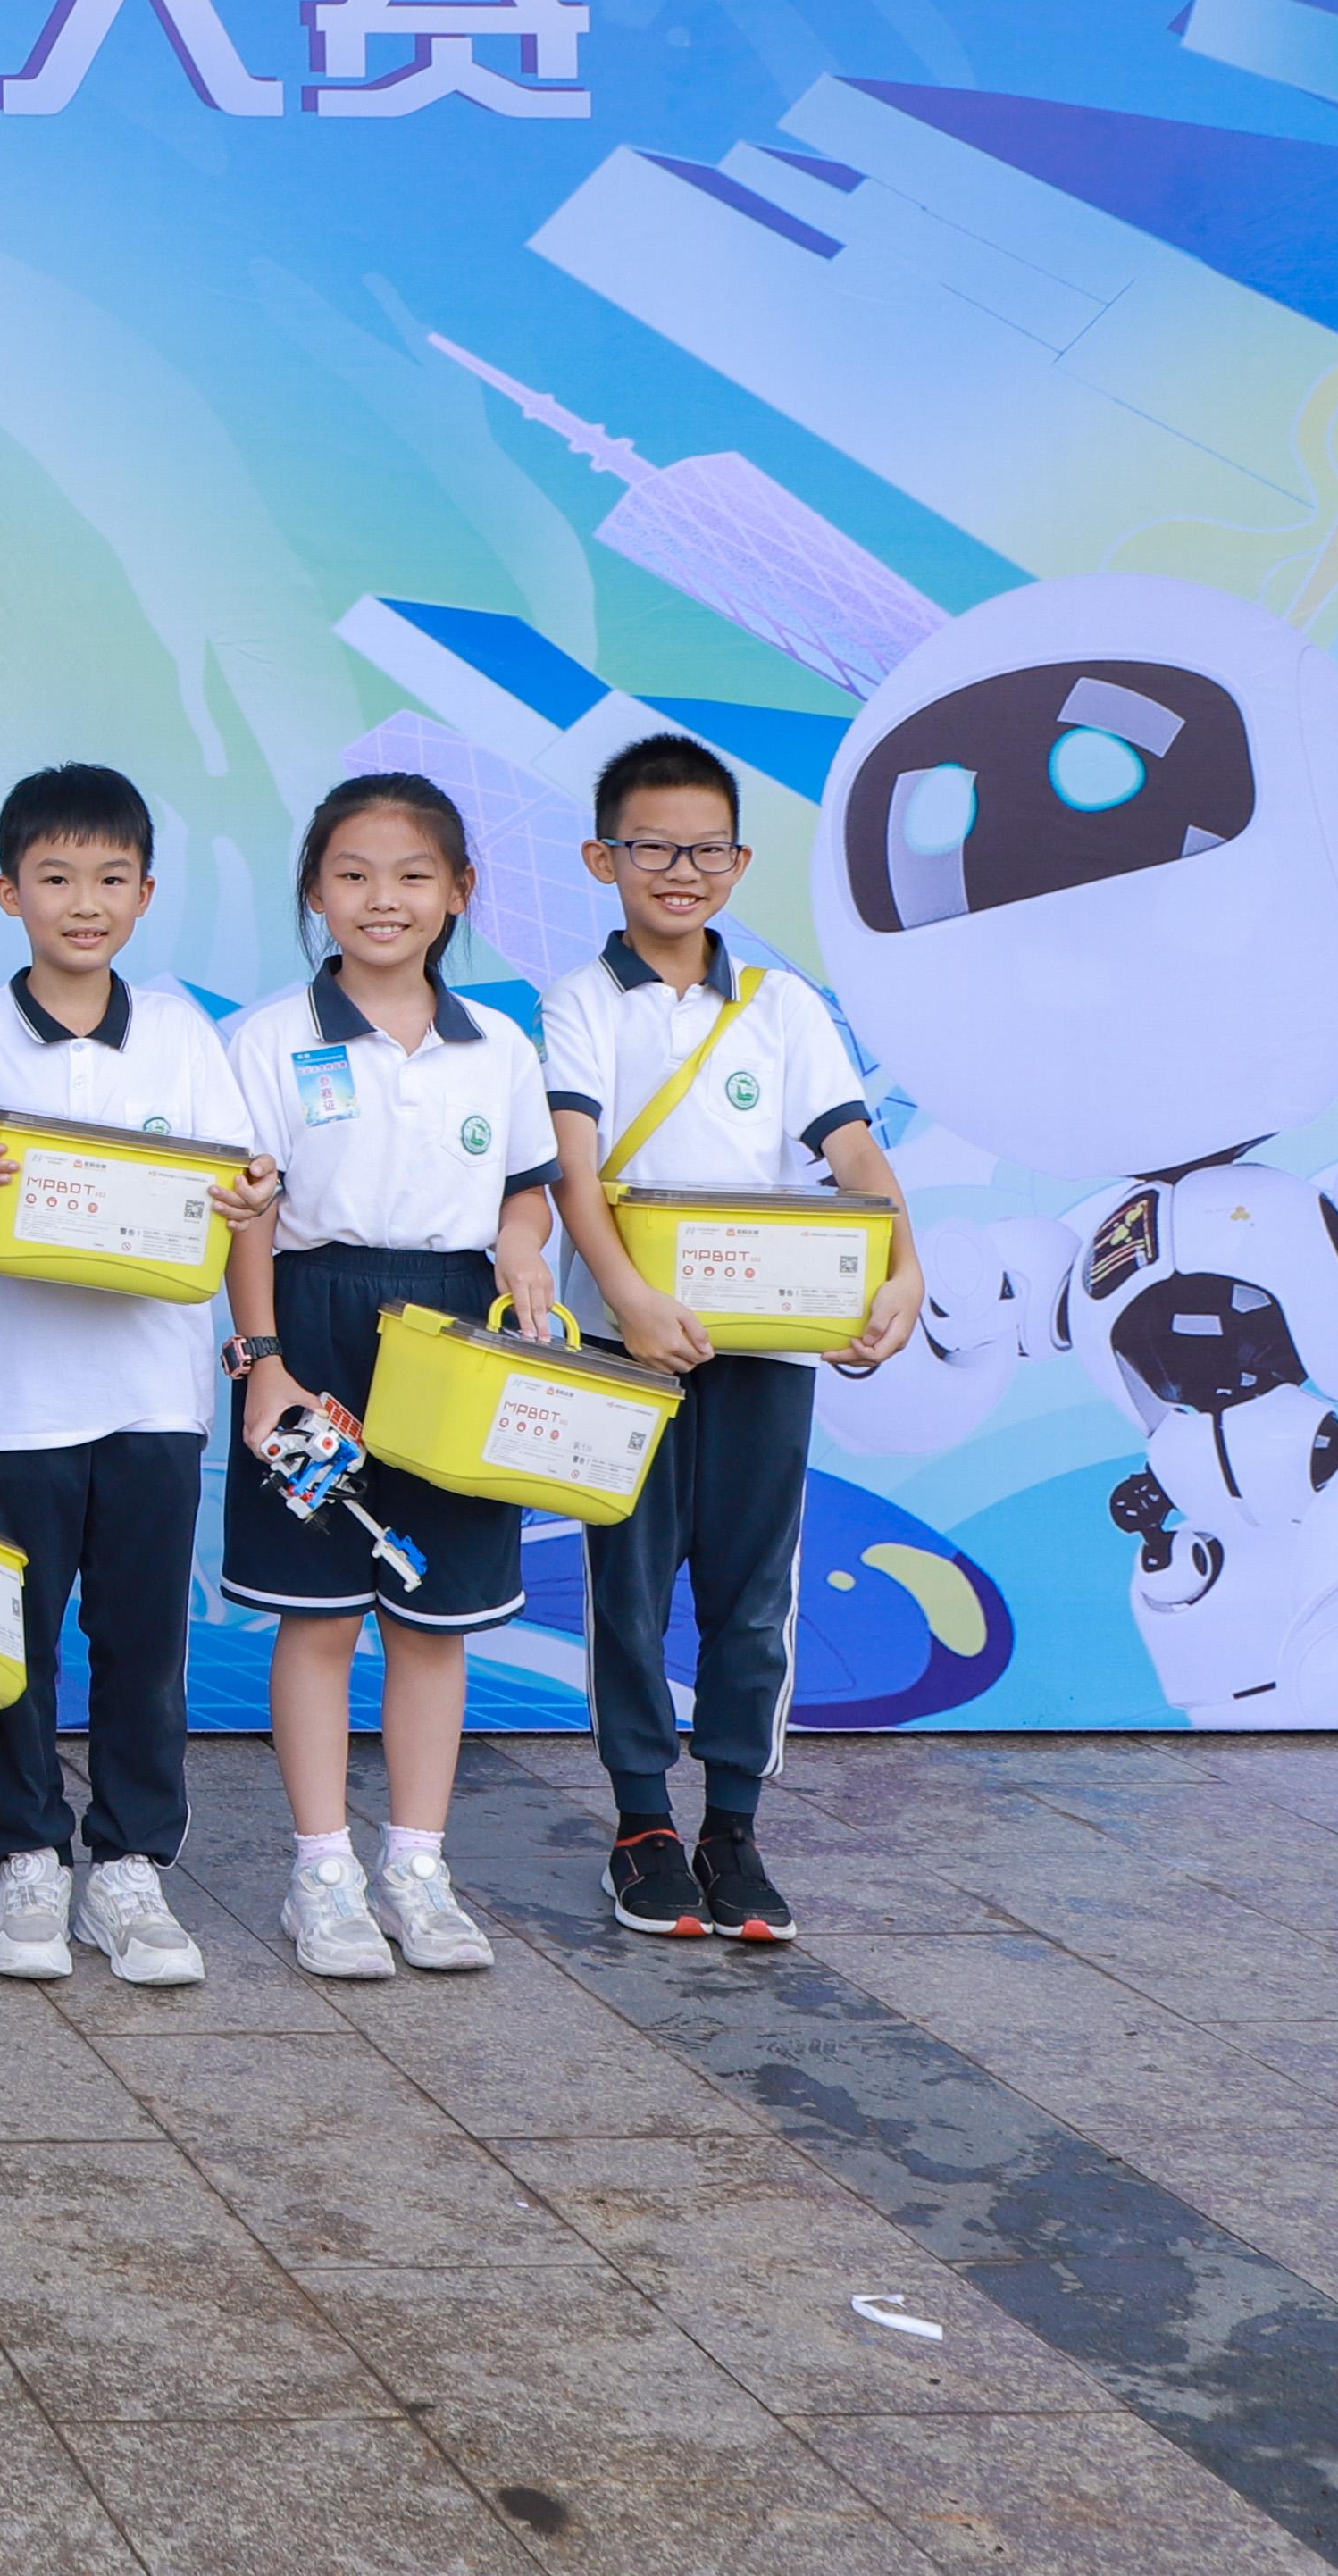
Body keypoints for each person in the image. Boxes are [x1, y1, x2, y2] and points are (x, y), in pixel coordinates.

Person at [545, 730, 925, 1948]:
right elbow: (574, 1170)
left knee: (756, 1591)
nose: (682, 871)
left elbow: (855, 1152)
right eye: (654, 847)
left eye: (707, 849)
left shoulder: (782, 1006)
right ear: (604, 857)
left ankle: (734, 1826)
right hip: (626, 1347)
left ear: (741, 862)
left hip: (769, 1343)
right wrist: (626, 1298)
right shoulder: (580, 1001)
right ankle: (642, 1823)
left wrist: (904, 1266)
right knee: (630, 1583)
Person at [0, 765, 272, 1994]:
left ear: (147, 894)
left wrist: (251, 1196)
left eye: (111, 877)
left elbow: (237, 1184)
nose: (84, 901)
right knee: (10, 1635)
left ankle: (129, 1864)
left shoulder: (180, 1032)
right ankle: (28, 1855)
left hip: (156, 1388)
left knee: (143, 1636)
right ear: (8, 891)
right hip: (13, 1395)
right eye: (56, 876)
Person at [222, 771, 560, 1983]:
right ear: (315, 890)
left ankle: (417, 1866)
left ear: (459, 891)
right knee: (318, 1615)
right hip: (314, 1328)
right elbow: (248, 1216)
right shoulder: (266, 1037)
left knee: (435, 1618)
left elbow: (525, 1193)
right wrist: (263, 1363)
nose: (383, 898)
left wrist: (524, 1256)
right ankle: (321, 1872)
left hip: (455, 1340)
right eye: (354, 873)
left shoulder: (499, 1045)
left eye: (414, 875)